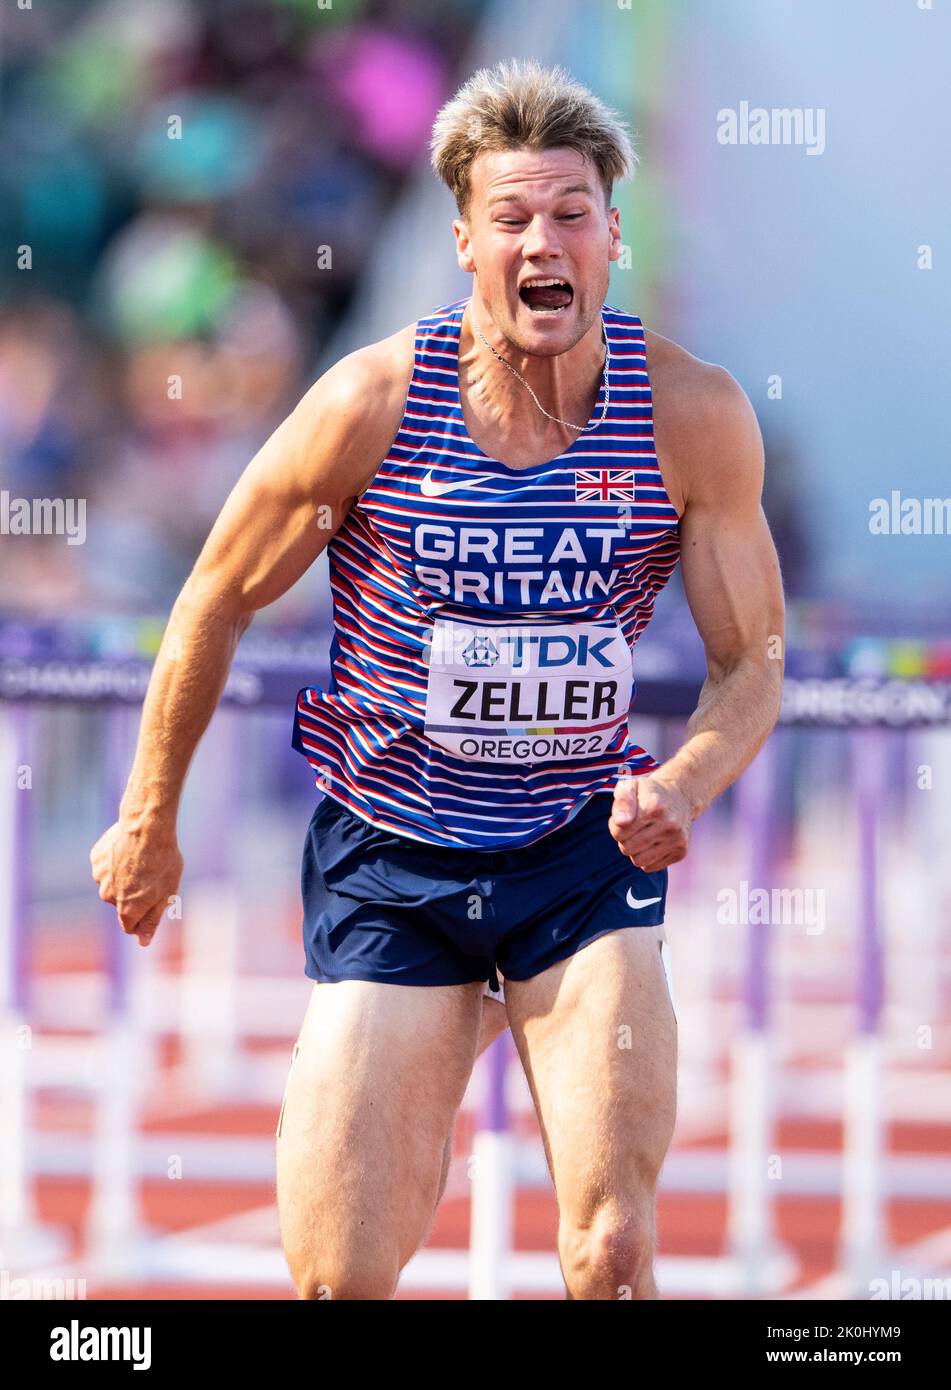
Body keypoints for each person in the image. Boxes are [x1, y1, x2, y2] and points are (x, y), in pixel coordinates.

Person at [91, 59, 784, 1300]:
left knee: (613, 1247)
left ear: (614, 235)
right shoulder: (371, 402)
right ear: (464, 242)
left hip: (582, 858)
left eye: (570, 212)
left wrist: (688, 778)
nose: (542, 242)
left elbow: (753, 662)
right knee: (339, 1277)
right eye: (511, 217)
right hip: (395, 860)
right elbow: (215, 595)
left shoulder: (691, 413)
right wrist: (148, 818)